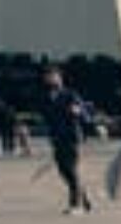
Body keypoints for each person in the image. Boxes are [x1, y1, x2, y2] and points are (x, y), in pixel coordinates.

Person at [39, 68, 94, 214]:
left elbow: (85, 113)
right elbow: (47, 118)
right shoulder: (46, 97)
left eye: (53, 77)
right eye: (48, 77)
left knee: (71, 169)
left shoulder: (70, 94)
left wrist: (78, 111)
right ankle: (83, 196)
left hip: (72, 137)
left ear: (59, 78)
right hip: (57, 139)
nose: (50, 79)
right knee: (63, 171)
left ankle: (75, 205)